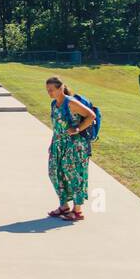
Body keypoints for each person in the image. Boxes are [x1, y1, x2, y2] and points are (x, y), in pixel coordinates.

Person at [45, 76, 95, 221]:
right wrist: (52, 142)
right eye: (47, 90)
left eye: (51, 90)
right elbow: (56, 126)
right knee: (54, 172)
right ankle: (64, 206)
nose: (49, 93)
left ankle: (77, 210)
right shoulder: (54, 104)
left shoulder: (71, 103)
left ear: (60, 88)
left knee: (73, 175)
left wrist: (78, 128)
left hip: (75, 145)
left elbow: (91, 116)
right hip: (58, 144)